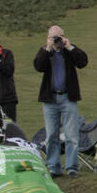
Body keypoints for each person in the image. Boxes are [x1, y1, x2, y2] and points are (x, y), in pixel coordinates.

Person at [33, 25, 88, 178]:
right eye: (54, 38)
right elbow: (38, 66)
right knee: (51, 135)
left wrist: (69, 46)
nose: (57, 40)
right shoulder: (45, 52)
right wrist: (48, 48)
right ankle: (53, 167)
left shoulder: (69, 51)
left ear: (64, 37)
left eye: (59, 37)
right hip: (50, 99)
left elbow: (83, 62)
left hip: (68, 98)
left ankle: (71, 167)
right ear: (48, 38)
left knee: (72, 135)